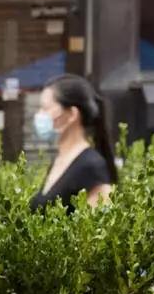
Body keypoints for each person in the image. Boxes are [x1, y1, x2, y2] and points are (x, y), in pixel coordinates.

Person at [29, 75, 117, 211]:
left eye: (46, 108)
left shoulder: (91, 166)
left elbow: (100, 226)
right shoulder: (60, 160)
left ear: (72, 114)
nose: (39, 115)